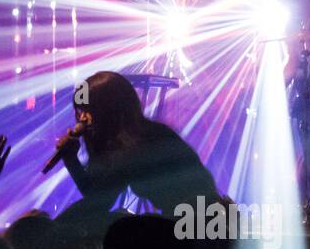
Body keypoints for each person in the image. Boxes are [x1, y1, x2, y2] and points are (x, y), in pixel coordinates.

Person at [54, 71, 221, 221]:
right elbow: (96, 193)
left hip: (198, 224)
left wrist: (55, 228)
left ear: (107, 110)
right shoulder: (140, 134)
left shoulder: (134, 144)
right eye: (80, 111)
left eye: (87, 110)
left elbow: (97, 200)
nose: (83, 118)